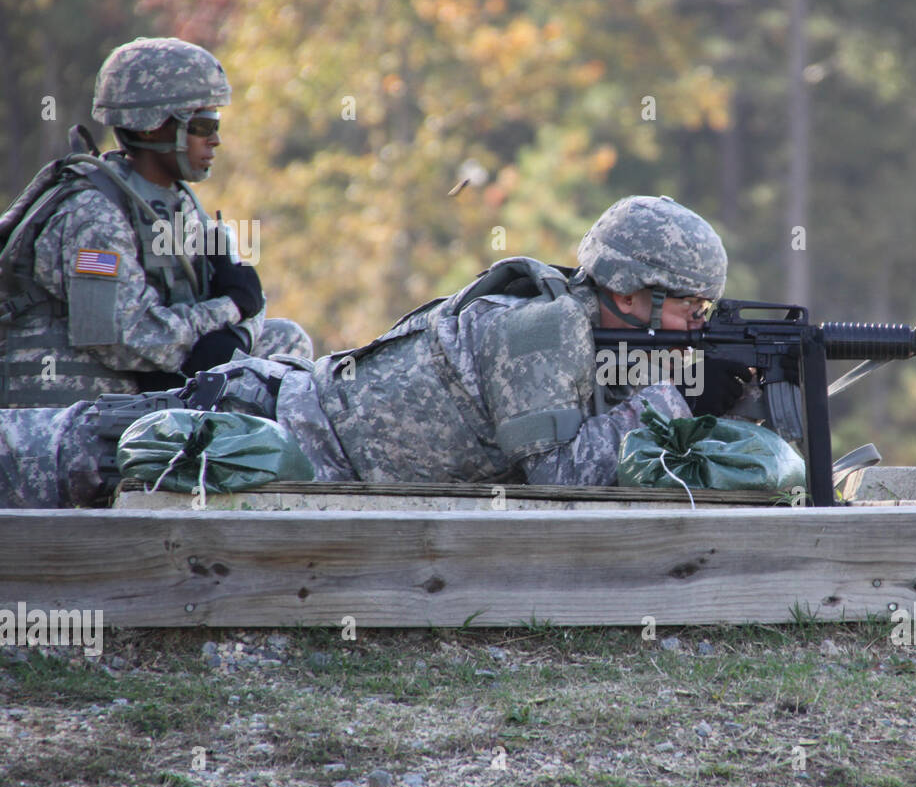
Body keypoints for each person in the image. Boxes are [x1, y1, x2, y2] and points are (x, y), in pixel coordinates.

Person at [0, 195, 751, 507]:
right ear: (632, 289)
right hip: (264, 426)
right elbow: (563, 482)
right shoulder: (544, 329)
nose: (695, 322)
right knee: (62, 456)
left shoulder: (599, 331)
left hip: (293, 439)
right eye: (690, 305)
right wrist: (676, 398)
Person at [0, 36, 312, 409]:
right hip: (65, 417)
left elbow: (247, 302)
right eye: (202, 125)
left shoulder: (176, 204)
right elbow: (126, 341)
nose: (215, 140)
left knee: (284, 343)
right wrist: (229, 310)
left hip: (139, 392)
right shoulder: (92, 215)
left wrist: (237, 329)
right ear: (150, 128)